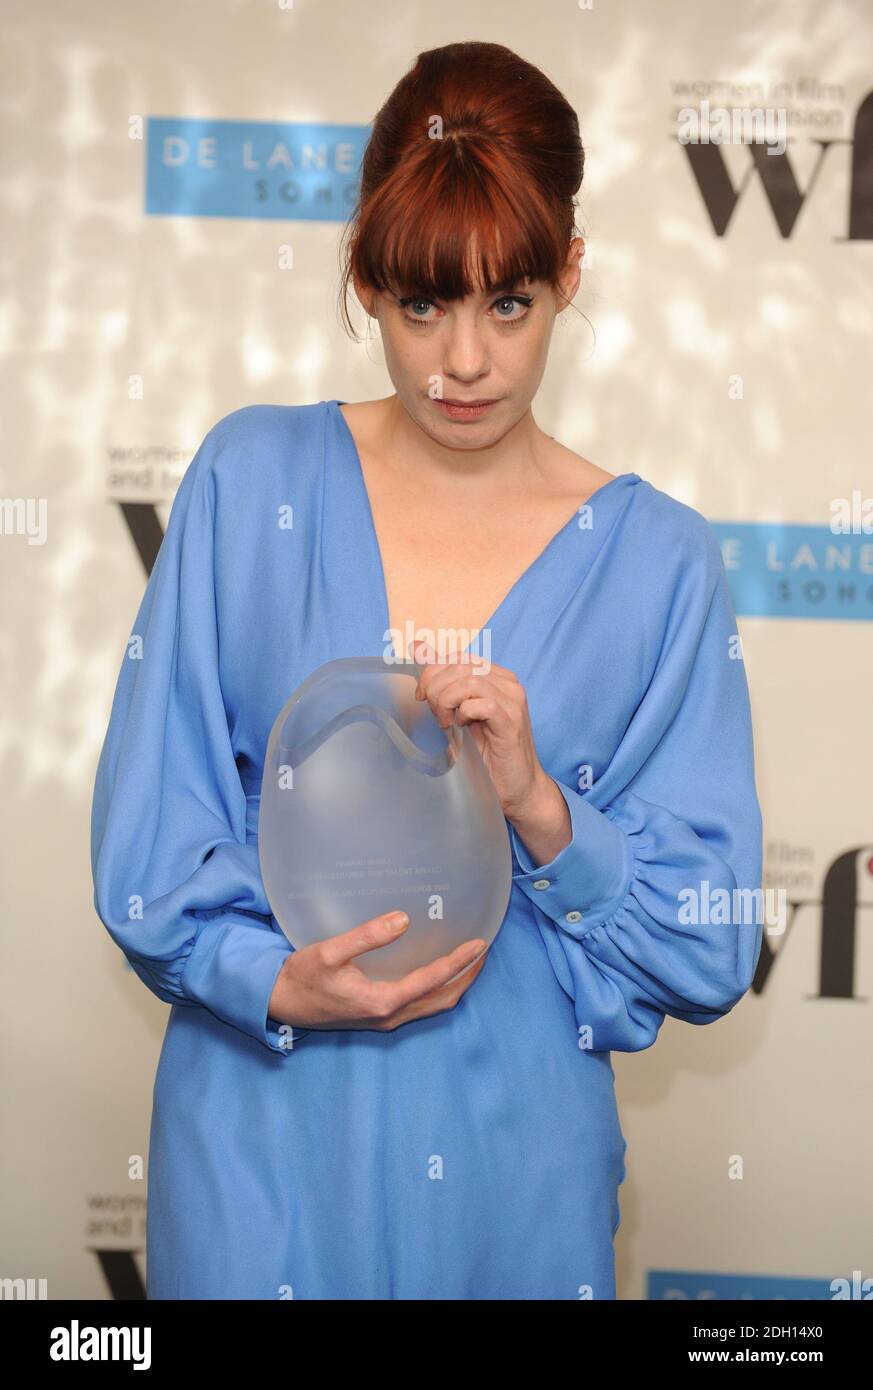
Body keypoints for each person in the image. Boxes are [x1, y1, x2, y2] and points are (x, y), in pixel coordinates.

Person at [90, 40, 763, 1300]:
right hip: (260, 1158)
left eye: (508, 303)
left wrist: (541, 807)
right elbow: (147, 850)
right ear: (364, 279)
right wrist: (270, 977)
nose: (464, 363)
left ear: (569, 274)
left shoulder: (660, 563)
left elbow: (709, 945)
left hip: (517, 1192)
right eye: (421, 307)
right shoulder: (250, 484)